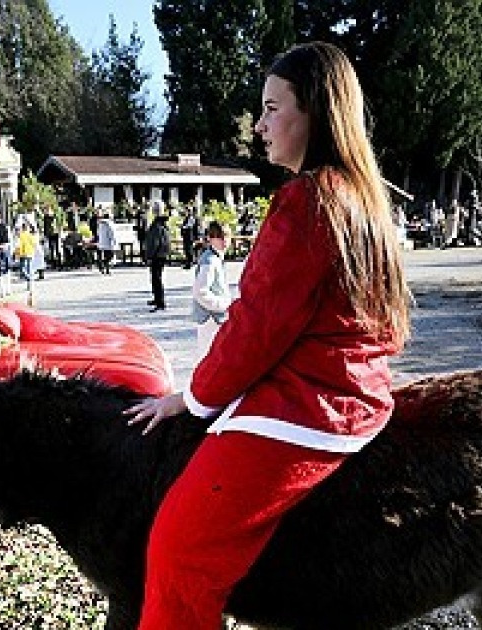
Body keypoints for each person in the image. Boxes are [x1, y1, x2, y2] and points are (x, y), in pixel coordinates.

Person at [124, 42, 411, 629]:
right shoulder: (363, 196)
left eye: (272, 108)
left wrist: (193, 397)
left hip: (310, 405)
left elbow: (255, 328)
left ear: (317, 113)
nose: (258, 125)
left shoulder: (307, 199)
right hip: (356, 393)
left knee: (177, 549)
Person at [190, 220, 233, 361]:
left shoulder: (215, 258)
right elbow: (200, 291)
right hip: (210, 318)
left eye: (226, 236)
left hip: (215, 317)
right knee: (209, 357)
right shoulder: (210, 260)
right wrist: (223, 305)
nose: (224, 240)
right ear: (210, 239)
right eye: (219, 237)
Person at [144, 209, 171, 311]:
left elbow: (154, 243)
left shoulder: (156, 227)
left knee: (156, 279)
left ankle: (160, 302)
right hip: (162, 254)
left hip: (157, 255)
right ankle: (157, 298)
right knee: (156, 278)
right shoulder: (163, 226)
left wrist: (149, 256)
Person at [95, 209, 119, 274]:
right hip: (108, 243)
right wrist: (114, 240)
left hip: (101, 243)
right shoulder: (109, 224)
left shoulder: (100, 224)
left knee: (106, 256)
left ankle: (105, 268)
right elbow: (112, 233)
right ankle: (105, 266)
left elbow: (98, 233)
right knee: (110, 256)